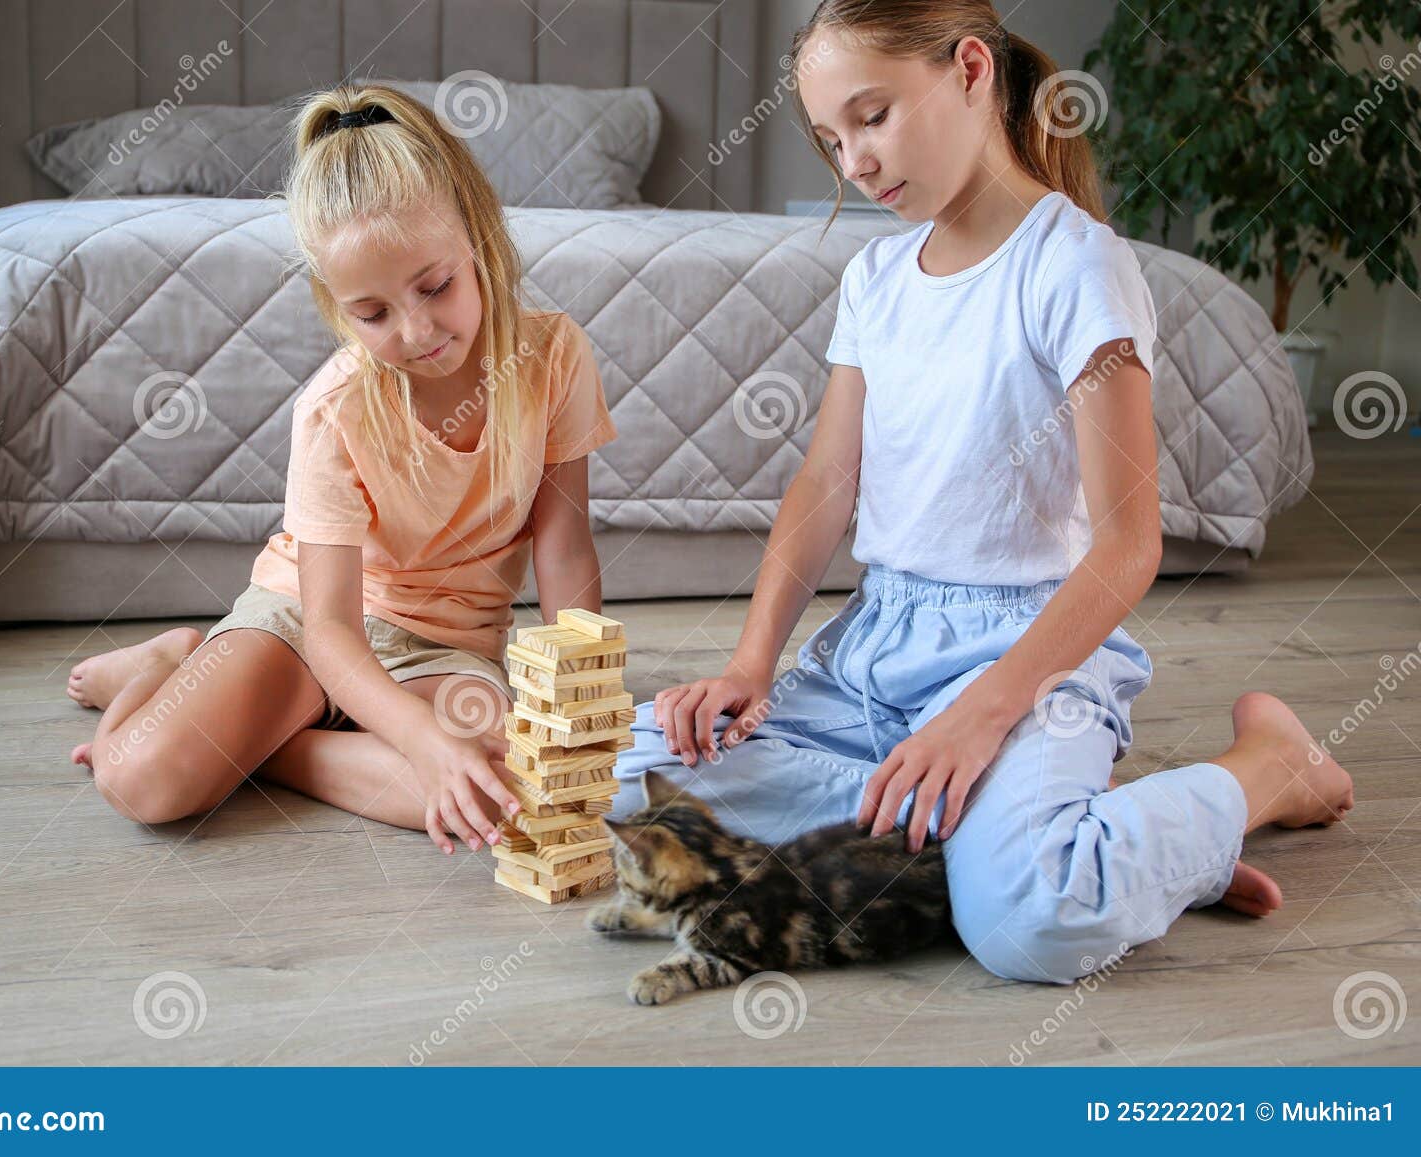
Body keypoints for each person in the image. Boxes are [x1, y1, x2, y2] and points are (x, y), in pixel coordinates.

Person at [613, 2, 1353, 984]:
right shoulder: (876, 277)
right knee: (626, 774)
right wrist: (751, 662)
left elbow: (1130, 546)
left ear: (969, 70)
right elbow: (826, 482)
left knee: (1033, 923)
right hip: (877, 648)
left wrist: (987, 709)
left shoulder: (1075, 264)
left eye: (871, 117)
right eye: (832, 139)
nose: (855, 164)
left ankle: (1259, 770)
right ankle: (1073, 837)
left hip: (1029, 653)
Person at [66, 86, 617, 855]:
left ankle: (263, 747)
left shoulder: (552, 355)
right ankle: (173, 660)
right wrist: (418, 743)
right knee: (143, 781)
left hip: (446, 647)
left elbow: (563, 542)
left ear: (477, 236)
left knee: (509, 785)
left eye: (436, 287)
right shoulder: (336, 407)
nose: (419, 330)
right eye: (374, 313)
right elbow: (329, 630)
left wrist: (580, 687)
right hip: (307, 627)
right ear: (336, 305)